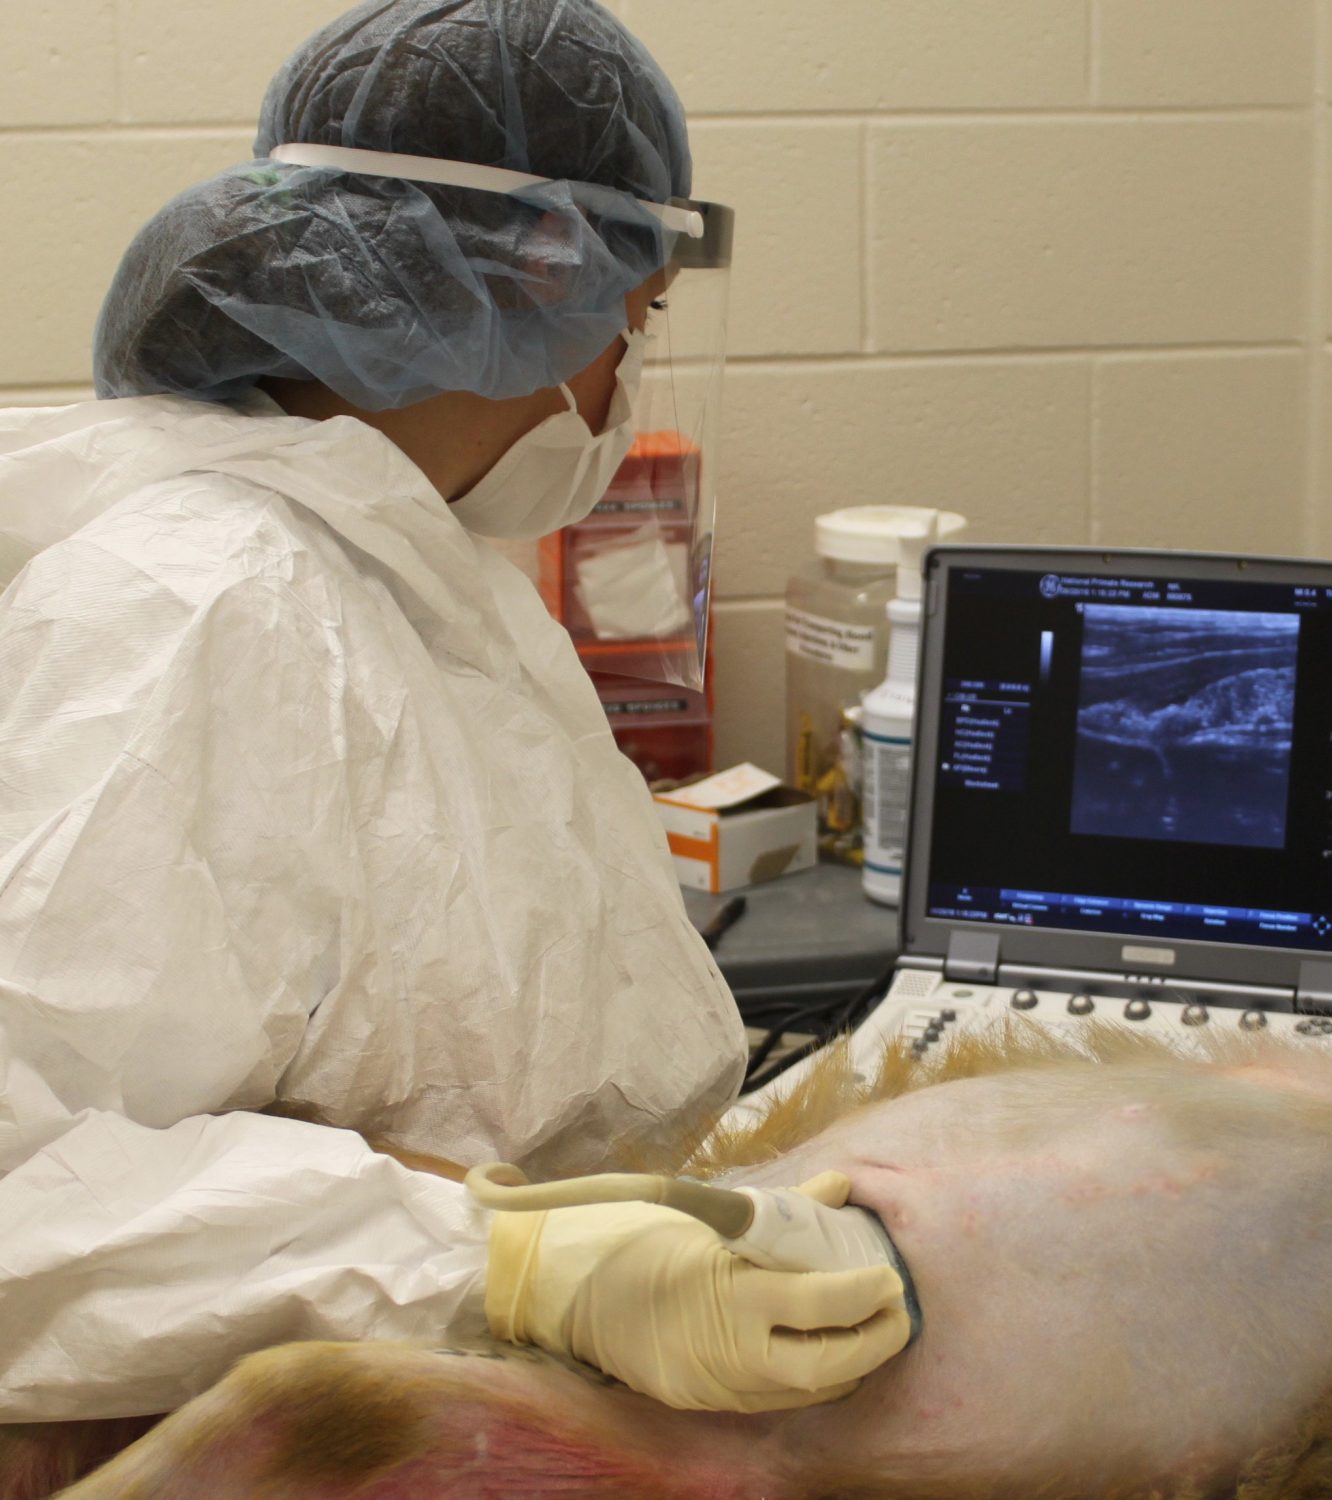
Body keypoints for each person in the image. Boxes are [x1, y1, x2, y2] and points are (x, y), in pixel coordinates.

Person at [0, 0, 908, 1429]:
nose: (629, 370)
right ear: (545, 264)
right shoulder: (198, 605)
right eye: (642, 313)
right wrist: (508, 1265)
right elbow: (28, 1200)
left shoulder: (404, 567)